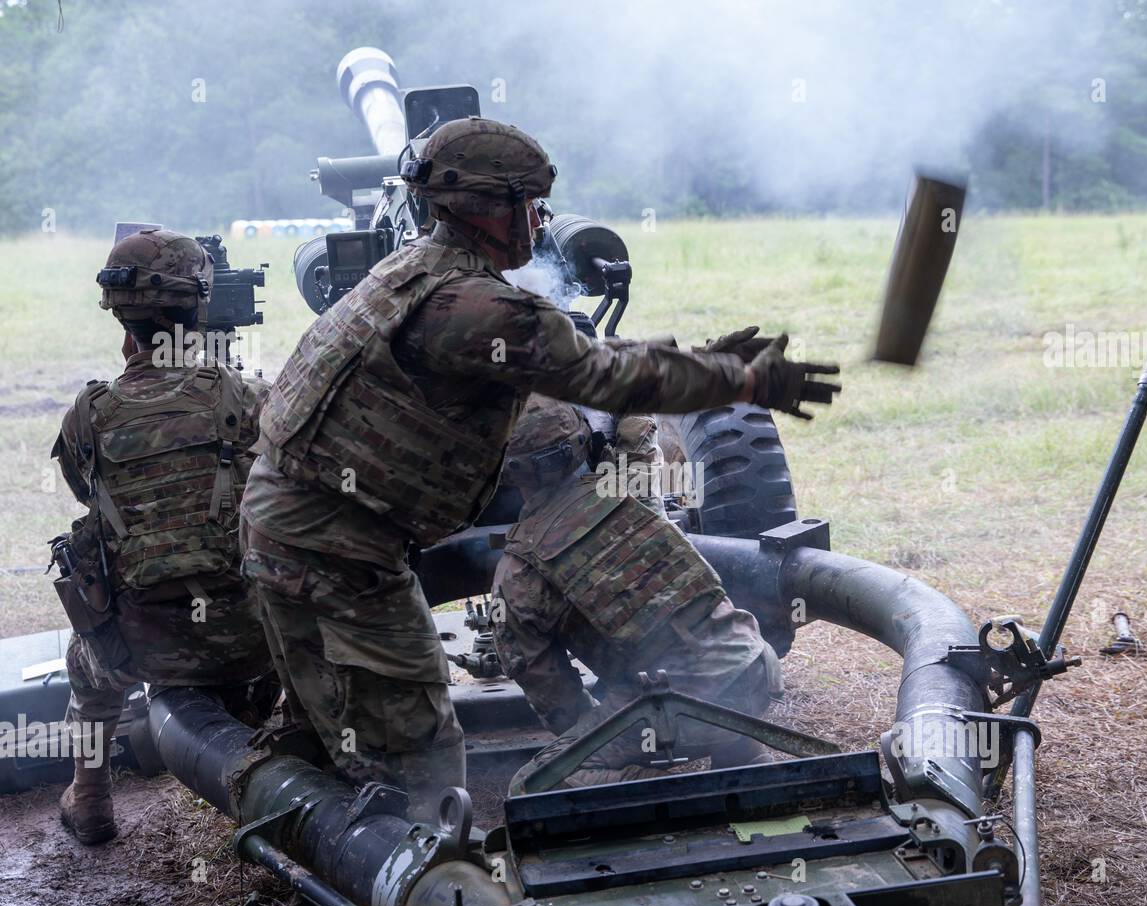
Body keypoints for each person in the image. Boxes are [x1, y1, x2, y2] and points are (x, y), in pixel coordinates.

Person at [240, 116, 838, 820]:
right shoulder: (474, 307)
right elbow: (600, 373)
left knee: (326, 719)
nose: (540, 220)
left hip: (279, 524)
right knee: (421, 747)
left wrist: (701, 358)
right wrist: (738, 379)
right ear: (489, 211)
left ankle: (319, 868)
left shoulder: (405, 276)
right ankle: (435, 897)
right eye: (531, 205)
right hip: (341, 551)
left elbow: (579, 358)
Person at [50, 228, 273, 844]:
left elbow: (92, 498)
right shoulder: (251, 399)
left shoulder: (87, 416)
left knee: (85, 667)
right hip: (250, 639)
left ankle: (91, 800)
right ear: (199, 305)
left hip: (142, 645)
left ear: (120, 315)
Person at [491, 396, 782, 792]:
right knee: (695, 660)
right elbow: (638, 431)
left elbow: (560, 703)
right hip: (757, 672)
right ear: (584, 443)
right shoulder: (634, 492)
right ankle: (743, 758)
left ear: (507, 474)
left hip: (691, 704)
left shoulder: (518, 572)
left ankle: (670, 793)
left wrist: (604, 734)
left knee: (531, 785)